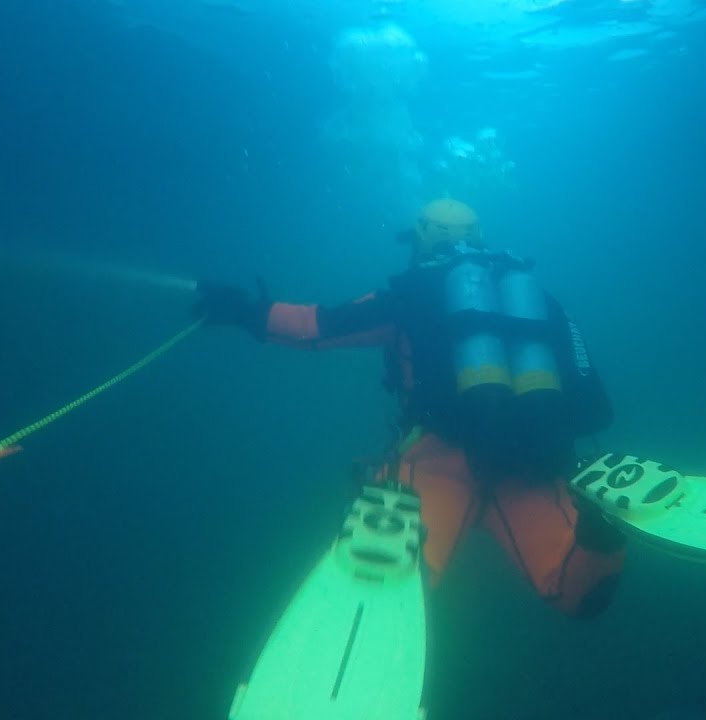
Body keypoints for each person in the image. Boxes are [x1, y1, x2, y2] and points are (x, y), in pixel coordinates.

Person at [193, 198, 626, 618]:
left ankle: (367, 603)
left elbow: (317, 327)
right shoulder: (535, 297)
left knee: (391, 579)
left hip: (438, 459)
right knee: (576, 593)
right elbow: (582, 380)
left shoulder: (411, 293)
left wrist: (247, 312)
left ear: (421, 239)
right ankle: (597, 544)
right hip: (530, 457)